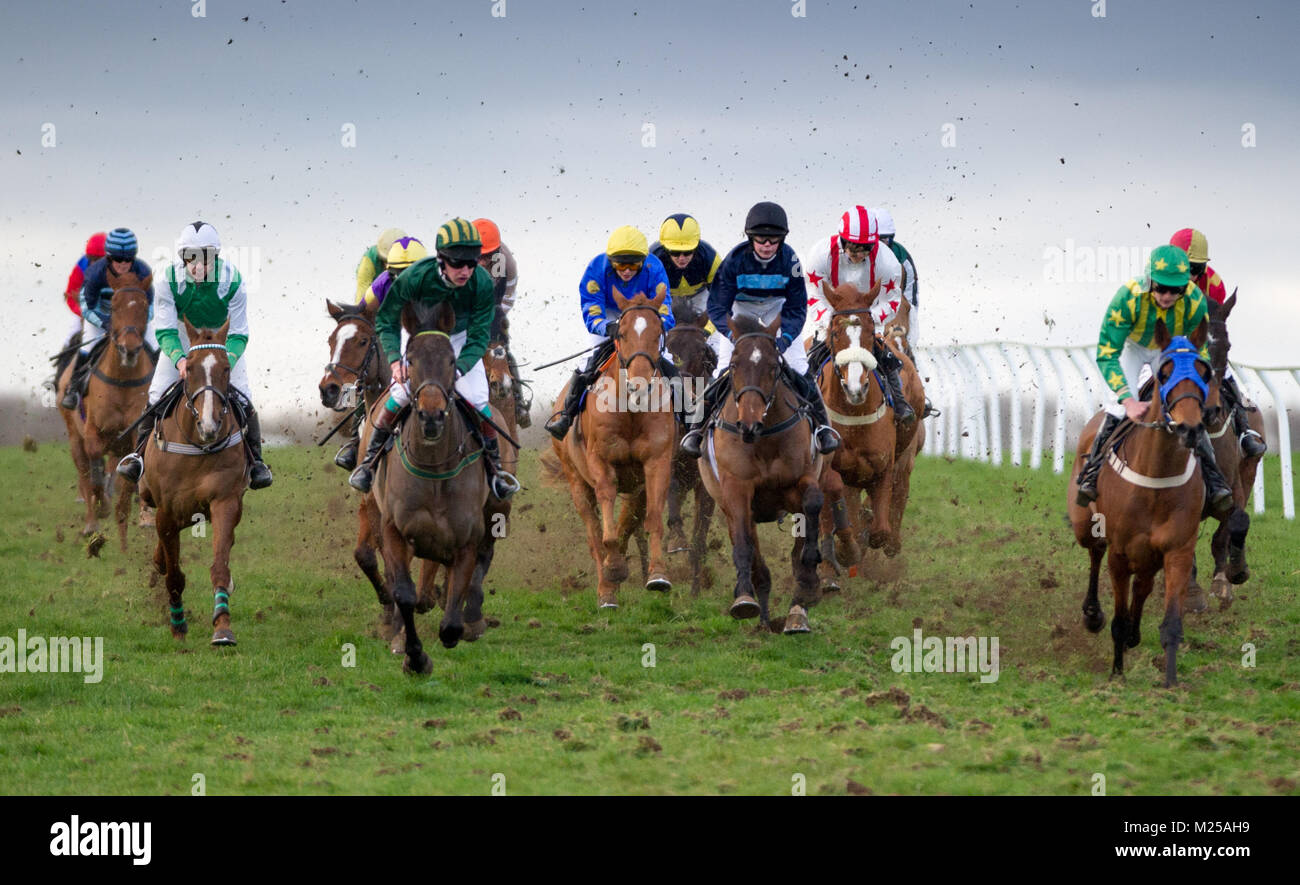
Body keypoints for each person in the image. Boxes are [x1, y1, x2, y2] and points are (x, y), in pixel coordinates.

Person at [348, 218, 520, 500]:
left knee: (476, 399)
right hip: (419, 335)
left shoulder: (481, 283)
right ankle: (368, 464)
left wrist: (460, 368)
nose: (466, 270)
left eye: (471, 262)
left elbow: (479, 336)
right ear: (440, 259)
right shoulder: (414, 277)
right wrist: (393, 359)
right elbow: (388, 320)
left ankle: (496, 471)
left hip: (461, 339)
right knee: (401, 393)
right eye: (457, 263)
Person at [1075, 244, 1232, 515]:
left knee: (1191, 410)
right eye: (1161, 288)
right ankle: (1092, 471)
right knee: (1116, 407)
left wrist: (1204, 388)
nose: (1168, 295)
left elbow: (1202, 350)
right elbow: (1107, 353)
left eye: (1176, 290)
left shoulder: (1195, 300)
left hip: (1171, 348)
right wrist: (1128, 400)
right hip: (1132, 348)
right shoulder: (1127, 298)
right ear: (1149, 281)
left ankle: (1214, 478)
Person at [116, 221, 272, 490]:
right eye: (191, 258)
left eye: (205, 258)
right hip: (183, 335)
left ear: (215, 256)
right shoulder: (167, 280)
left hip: (221, 340)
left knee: (244, 395)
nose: (197, 266)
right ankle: (138, 457)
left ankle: (257, 463)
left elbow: (239, 333)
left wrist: (225, 364)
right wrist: (179, 359)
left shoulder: (232, 280)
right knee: (157, 394)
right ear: (182, 257)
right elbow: (165, 330)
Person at [680, 201, 840, 457]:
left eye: (773, 240)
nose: (767, 245)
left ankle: (822, 428)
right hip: (741, 312)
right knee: (723, 370)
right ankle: (696, 431)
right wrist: (733, 335)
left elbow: (798, 307)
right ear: (751, 238)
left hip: (778, 311)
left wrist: (785, 339)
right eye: (761, 239)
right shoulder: (733, 261)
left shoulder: (791, 261)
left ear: (782, 239)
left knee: (799, 366)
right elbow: (718, 306)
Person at [543, 225, 678, 441]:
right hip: (610, 314)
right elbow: (591, 309)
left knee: (668, 361)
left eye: (633, 264)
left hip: (645, 318)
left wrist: (655, 325)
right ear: (611, 261)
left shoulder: (655, 268)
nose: (626, 270)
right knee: (589, 360)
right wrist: (607, 326)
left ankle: (690, 420)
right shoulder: (596, 269)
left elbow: (664, 308)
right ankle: (566, 417)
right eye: (620, 264)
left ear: (643, 260)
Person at [801, 205, 915, 426]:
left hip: (869, 317)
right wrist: (834, 323)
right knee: (809, 357)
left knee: (887, 357)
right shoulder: (820, 255)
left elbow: (891, 300)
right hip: (830, 317)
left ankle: (900, 404)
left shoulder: (888, 262)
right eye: (854, 249)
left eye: (866, 248)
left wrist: (864, 323)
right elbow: (814, 296)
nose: (860, 254)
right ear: (842, 241)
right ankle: (803, 403)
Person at [1169, 227, 1265, 458]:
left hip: (1199, 345)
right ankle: (1105, 443)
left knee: (1227, 378)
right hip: (1160, 345)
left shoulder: (1214, 284)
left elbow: (1214, 326)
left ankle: (1244, 431)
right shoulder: (1155, 279)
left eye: (1196, 268)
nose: (1191, 275)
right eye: (1186, 268)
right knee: (1126, 395)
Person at [333, 236, 428, 470]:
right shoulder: (372, 270)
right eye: (396, 273)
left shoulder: (435, 283)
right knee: (364, 364)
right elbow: (361, 309)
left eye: (410, 273)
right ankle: (356, 438)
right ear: (384, 263)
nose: (402, 280)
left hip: (427, 333)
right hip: (386, 324)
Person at [61, 228, 154, 410]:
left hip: (133, 321)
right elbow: (86, 307)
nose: (123, 264)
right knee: (87, 346)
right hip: (99, 317)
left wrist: (136, 324)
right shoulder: (95, 272)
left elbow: (150, 307)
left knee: (154, 345)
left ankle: (162, 387)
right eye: (118, 259)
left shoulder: (143, 271)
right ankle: (73, 388)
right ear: (109, 258)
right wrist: (106, 323)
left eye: (128, 259)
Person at [472, 218, 530, 427]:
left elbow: (509, 297)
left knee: (501, 351)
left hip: (495, 311)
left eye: (488, 256)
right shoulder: (456, 260)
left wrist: (494, 317)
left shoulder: (506, 261)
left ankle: (519, 403)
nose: (483, 262)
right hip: (464, 314)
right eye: (479, 256)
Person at [51, 232, 107, 386]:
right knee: (70, 337)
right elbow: (70, 295)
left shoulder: (117, 268)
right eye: (92, 259)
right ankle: (61, 381)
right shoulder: (82, 265)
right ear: (87, 257)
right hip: (84, 312)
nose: (95, 263)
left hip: (110, 314)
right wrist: (82, 312)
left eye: (99, 259)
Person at [650, 213, 722, 324]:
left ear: (696, 247)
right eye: (675, 252)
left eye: (688, 252)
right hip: (667, 298)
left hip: (700, 297)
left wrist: (707, 331)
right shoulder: (653, 259)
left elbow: (720, 299)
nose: (682, 258)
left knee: (715, 337)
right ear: (665, 248)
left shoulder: (710, 258)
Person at [872, 208, 920, 346]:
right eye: (876, 241)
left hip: (893, 314)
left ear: (891, 238)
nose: (880, 245)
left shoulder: (902, 257)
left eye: (884, 240)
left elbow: (910, 301)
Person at [354, 227, 407, 304]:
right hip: (372, 289)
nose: (388, 267)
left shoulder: (414, 259)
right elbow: (361, 296)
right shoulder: (368, 261)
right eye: (385, 261)